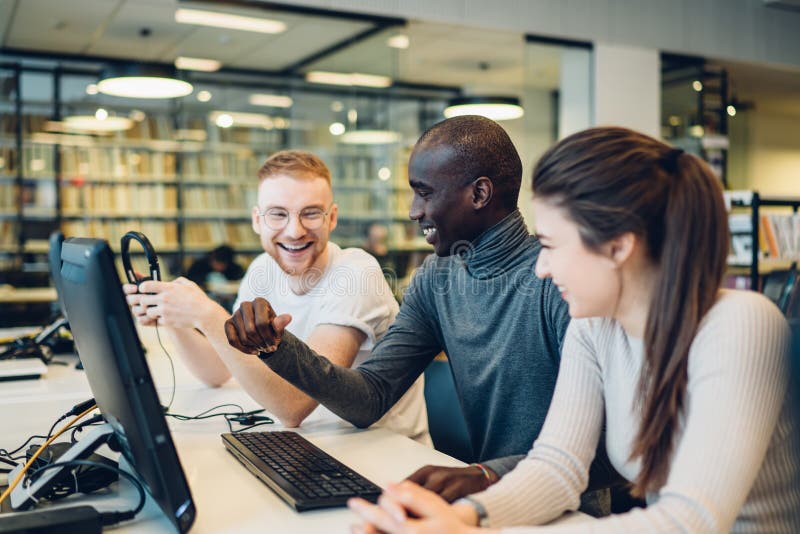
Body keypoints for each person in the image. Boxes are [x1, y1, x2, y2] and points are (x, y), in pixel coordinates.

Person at [347, 126, 800, 532]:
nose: (541, 267)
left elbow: (691, 519)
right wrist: (465, 516)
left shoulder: (743, 324)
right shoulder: (595, 326)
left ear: (618, 247)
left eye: (550, 245)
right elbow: (558, 468)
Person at [225, 116, 614, 512]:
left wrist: (486, 475)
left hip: (572, 511)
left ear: (479, 193)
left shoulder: (559, 283)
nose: (414, 211)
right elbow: (369, 398)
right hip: (489, 501)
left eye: (424, 193)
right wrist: (276, 346)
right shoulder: (437, 278)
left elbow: (608, 449)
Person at [123, 150, 429, 442]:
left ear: (331, 218)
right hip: (317, 444)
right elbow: (216, 371)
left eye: (310, 213)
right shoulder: (262, 270)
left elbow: (294, 406)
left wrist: (206, 314)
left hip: (387, 455)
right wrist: (173, 314)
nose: (294, 231)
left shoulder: (355, 273)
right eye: (278, 214)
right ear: (257, 220)